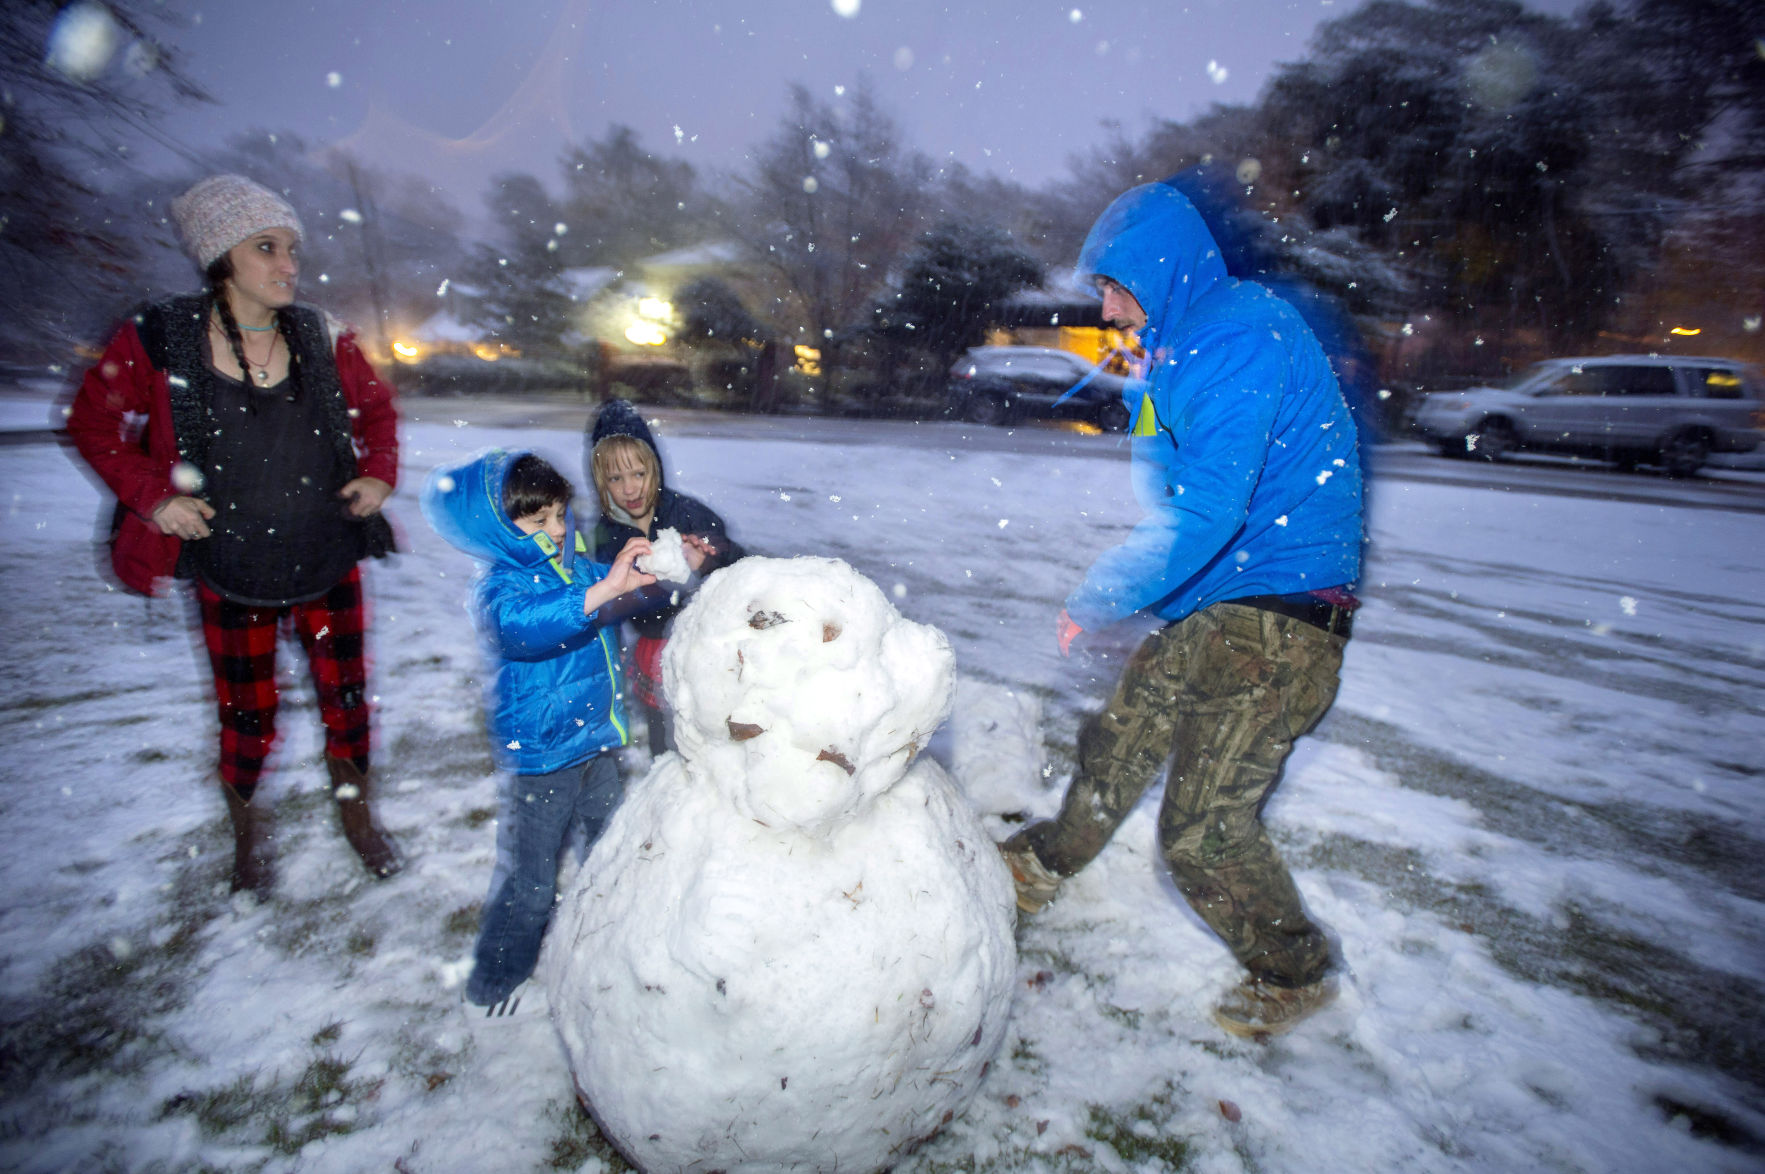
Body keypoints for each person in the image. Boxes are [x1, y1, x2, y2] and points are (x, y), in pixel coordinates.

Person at [998, 184, 1364, 1039]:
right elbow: (1172, 479)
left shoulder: (1238, 338)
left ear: (1158, 270)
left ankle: (1295, 970)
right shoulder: (1188, 341)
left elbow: (1207, 509)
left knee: (1202, 832)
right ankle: (1045, 866)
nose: (1103, 304)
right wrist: (1146, 381)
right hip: (1227, 602)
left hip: (1283, 619)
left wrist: (1100, 594)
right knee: (1120, 738)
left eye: (1112, 285)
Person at [66, 173, 402, 897]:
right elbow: (92, 425)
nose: (288, 264)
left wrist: (378, 476)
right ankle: (248, 841)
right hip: (231, 568)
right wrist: (155, 500)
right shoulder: (158, 335)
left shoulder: (320, 334)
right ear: (222, 255)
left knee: (347, 700)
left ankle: (358, 819)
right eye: (267, 247)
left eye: (291, 249)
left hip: (327, 557)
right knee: (246, 714)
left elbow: (378, 415)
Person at [420, 448, 704, 1016]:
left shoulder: (576, 568)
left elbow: (628, 594)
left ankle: (605, 947)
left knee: (609, 849)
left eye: (560, 514)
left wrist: (671, 569)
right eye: (539, 521)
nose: (558, 529)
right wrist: (599, 592)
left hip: (593, 741)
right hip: (544, 758)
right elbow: (526, 628)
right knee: (531, 884)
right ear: (500, 530)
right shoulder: (498, 588)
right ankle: (493, 986)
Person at [585, 400, 745, 756]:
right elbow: (609, 608)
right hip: (655, 655)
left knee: (717, 742)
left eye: (638, 474)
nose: (630, 488)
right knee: (668, 750)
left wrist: (709, 560)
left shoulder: (689, 514)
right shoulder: (605, 537)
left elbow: (743, 567)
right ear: (600, 481)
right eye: (615, 478)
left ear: (654, 468)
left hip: (708, 651)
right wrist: (659, 585)